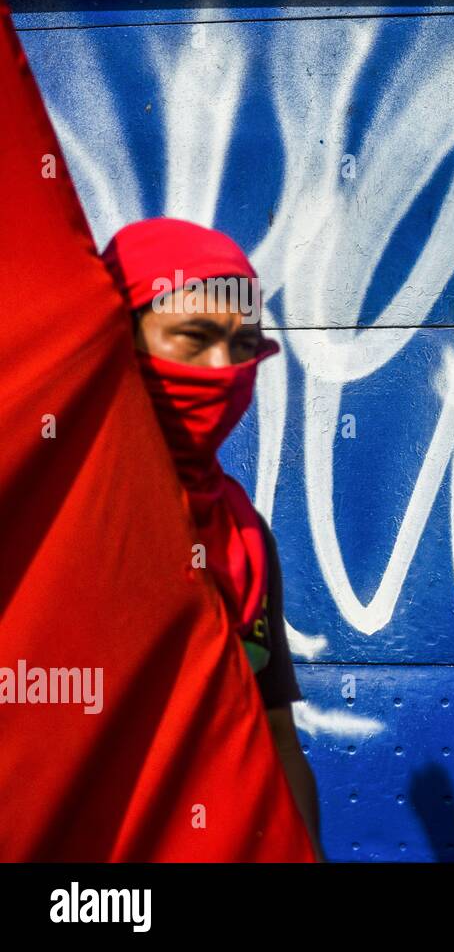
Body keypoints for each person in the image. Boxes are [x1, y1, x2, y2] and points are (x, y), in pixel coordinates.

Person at [101, 218, 325, 861]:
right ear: (121, 338)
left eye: (244, 345)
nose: (224, 371)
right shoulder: (59, 512)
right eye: (193, 339)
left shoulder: (245, 536)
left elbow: (276, 734)